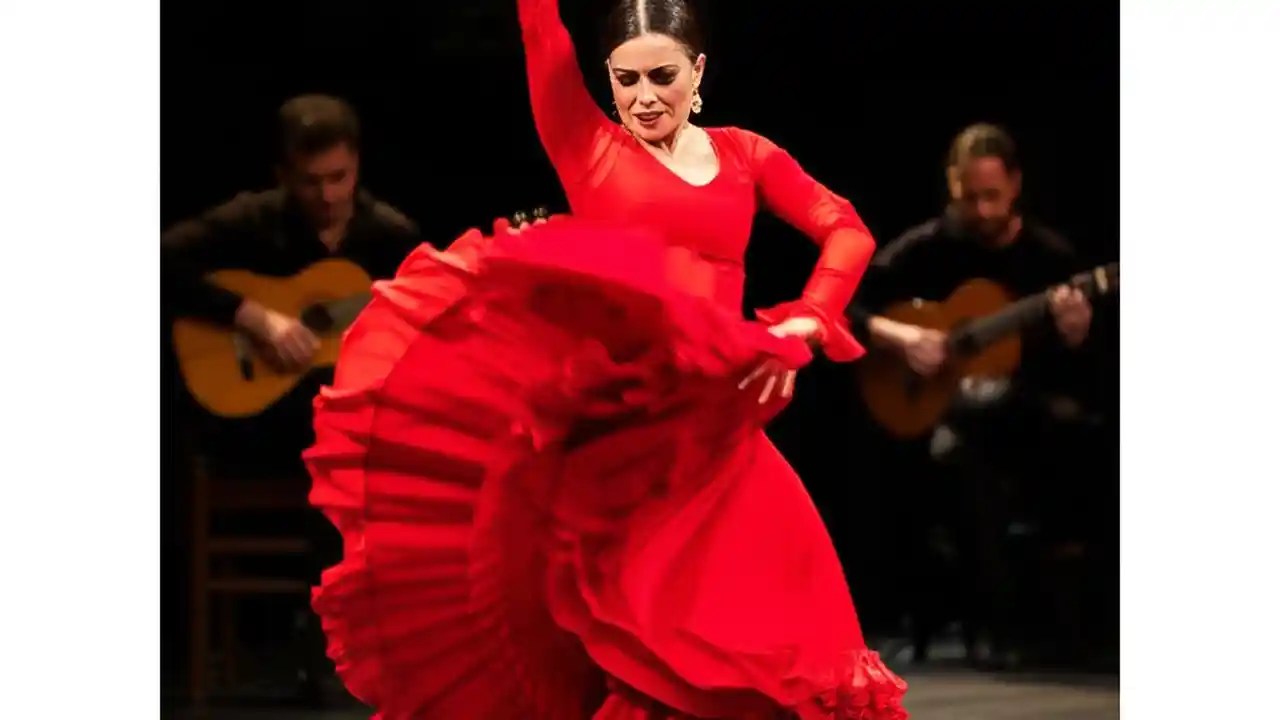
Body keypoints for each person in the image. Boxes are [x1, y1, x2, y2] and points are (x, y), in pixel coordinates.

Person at [303, 1, 908, 718]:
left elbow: (846, 229)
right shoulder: (586, 142)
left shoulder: (745, 154)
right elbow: (542, 32)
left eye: (663, 76)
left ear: (699, 71)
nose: (644, 96)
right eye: (626, 79)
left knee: (779, 636)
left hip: (718, 431)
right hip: (620, 442)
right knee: (632, 640)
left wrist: (811, 317)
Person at [846, 122, 1100, 667]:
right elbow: (851, 308)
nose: (982, 210)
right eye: (969, 198)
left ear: (1015, 186)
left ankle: (1073, 625)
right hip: (951, 416)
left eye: (992, 197)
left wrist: (1076, 333)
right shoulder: (928, 247)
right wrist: (906, 336)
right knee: (967, 454)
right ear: (951, 188)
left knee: (1082, 438)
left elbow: (1078, 361)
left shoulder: (1049, 257)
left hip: (1028, 409)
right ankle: (993, 626)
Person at [161, 93, 423, 468]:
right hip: (258, 418)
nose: (328, 196)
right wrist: (254, 318)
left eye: (339, 177)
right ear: (283, 176)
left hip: (356, 416)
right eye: (310, 182)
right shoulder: (253, 218)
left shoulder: (391, 236)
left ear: (357, 166)